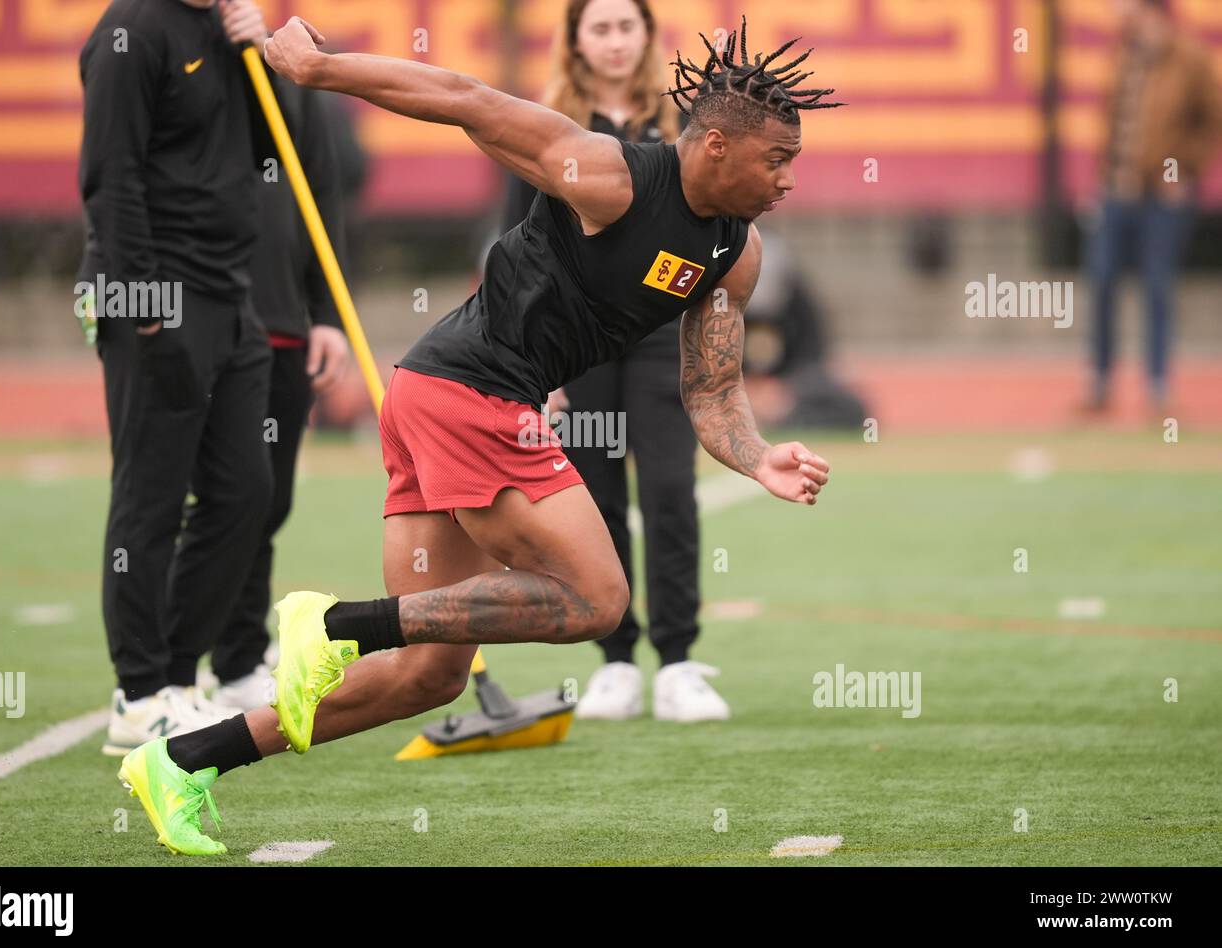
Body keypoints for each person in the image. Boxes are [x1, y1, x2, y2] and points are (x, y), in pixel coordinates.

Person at [119, 14, 838, 855]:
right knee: (599, 600)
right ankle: (340, 624)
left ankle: (182, 760)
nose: (790, 178)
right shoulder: (609, 174)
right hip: (471, 393)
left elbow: (712, 392)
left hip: (436, 397)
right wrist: (319, 71)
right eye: (778, 159)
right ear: (716, 144)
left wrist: (759, 458)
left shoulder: (736, 253)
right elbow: (464, 98)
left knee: (427, 674)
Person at [502, 0, 725, 722]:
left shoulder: (685, 121)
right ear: (575, 42)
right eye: (599, 28)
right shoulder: (549, 125)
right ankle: (618, 660)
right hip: (577, 342)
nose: (615, 41)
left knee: (668, 491)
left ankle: (681, 661)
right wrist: (536, 368)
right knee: (594, 500)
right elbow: (520, 250)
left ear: (646, 36)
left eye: (626, 26)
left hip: (662, 332)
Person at [78, 0, 277, 754]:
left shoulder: (227, 31)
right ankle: (137, 693)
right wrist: (142, 303)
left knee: (245, 491)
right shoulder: (130, 30)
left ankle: (173, 673)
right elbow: (109, 177)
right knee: (150, 494)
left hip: (231, 294)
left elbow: (269, 156)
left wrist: (263, 60)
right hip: (156, 297)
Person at [208, 78, 355, 712]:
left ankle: (238, 654)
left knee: (267, 498)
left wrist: (327, 314)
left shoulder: (287, 83)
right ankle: (175, 664)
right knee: (226, 499)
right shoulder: (175, 63)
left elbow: (322, 197)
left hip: (286, 325)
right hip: (212, 323)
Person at [1082, 0, 1222, 415]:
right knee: (1103, 281)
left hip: (1162, 198)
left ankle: (1158, 386)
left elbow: (1212, 123)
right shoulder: (1124, 53)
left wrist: (1182, 171)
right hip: (1117, 191)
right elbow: (1114, 119)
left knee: (1157, 287)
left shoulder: (1191, 60)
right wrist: (1105, 171)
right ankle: (1100, 383)